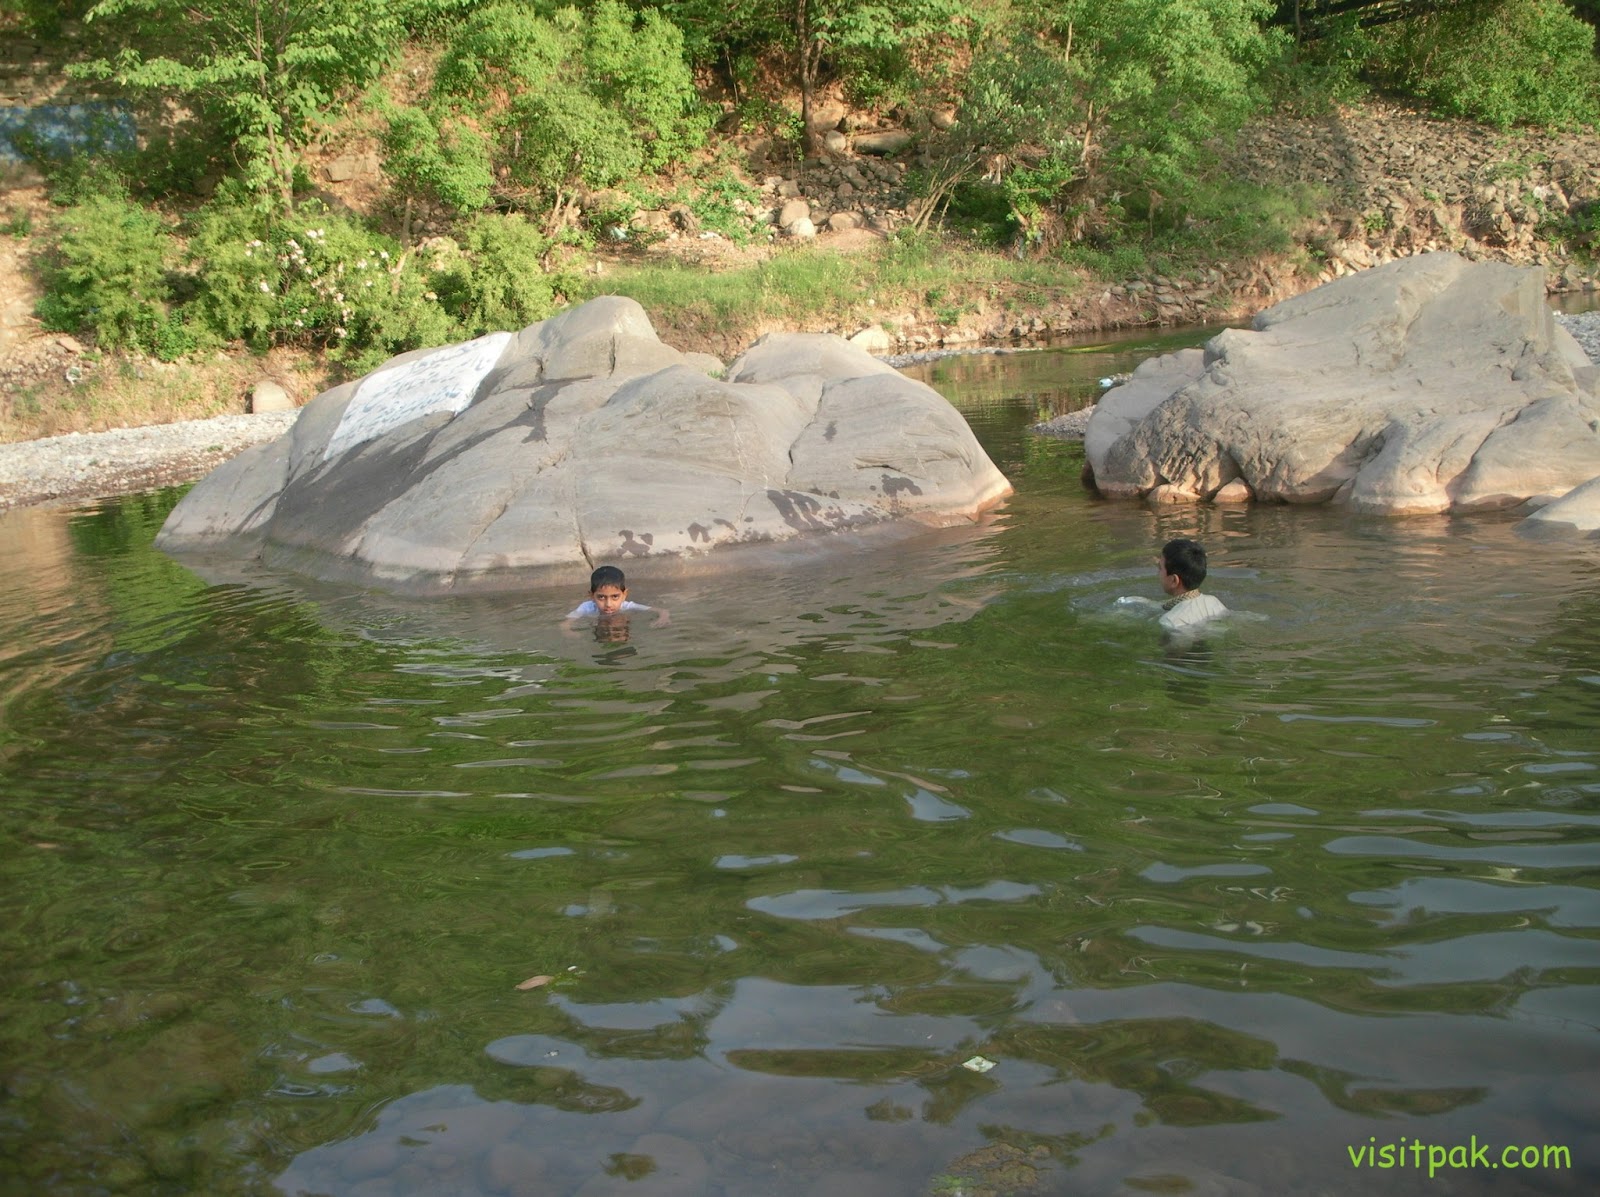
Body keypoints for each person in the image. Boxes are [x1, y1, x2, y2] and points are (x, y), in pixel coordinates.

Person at [562, 565, 669, 630]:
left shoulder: (626, 606)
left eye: (615, 596)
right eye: (601, 597)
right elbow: (565, 623)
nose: (608, 604)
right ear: (591, 596)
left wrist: (663, 618)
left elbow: (662, 611)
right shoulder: (587, 607)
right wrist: (569, 631)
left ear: (624, 595)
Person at [1154, 538, 1227, 632]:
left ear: (1174, 580)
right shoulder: (1215, 602)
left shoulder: (1170, 622)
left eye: (1160, 568)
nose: (1158, 573)